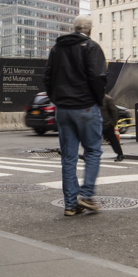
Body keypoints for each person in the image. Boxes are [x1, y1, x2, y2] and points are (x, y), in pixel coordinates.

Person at [43, 15, 107, 216]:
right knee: (93, 152)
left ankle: (70, 204)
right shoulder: (91, 47)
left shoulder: (57, 48)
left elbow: (48, 77)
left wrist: (57, 99)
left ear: (74, 28)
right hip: (86, 106)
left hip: (63, 108)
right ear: (89, 30)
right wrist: (97, 99)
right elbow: (98, 76)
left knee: (68, 157)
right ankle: (87, 196)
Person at [101, 93, 125, 162]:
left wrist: (112, 123)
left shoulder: (107, 99)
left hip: (107, 124)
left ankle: (120, 154)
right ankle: (88, 155)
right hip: (97, 124)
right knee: (93, 140)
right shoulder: (94, 98)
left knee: (113, 140)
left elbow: (115, 111)